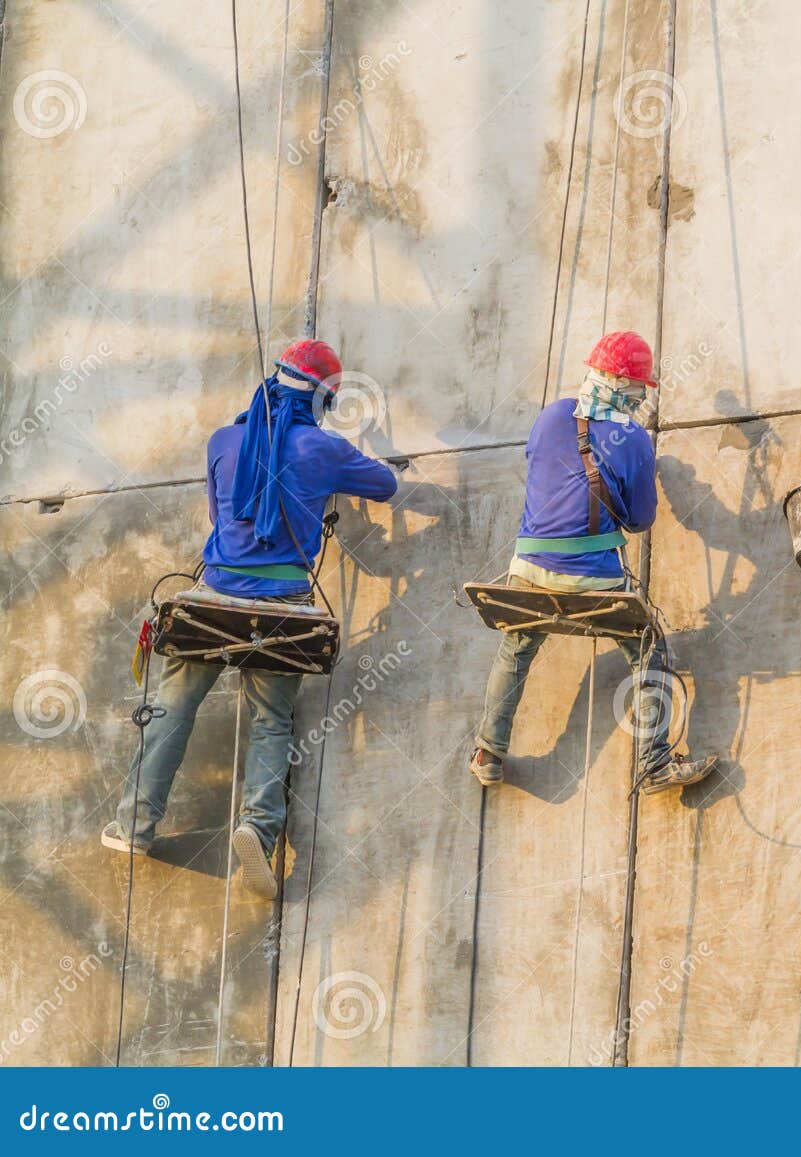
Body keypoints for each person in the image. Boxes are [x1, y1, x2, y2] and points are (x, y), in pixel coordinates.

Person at [102, 340, 398, 898]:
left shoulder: (224, 439)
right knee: (272, 721)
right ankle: (257, 834)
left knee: (172, 709)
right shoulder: (323, 447)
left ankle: (135, 826)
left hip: (216, 599)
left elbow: (220, 515)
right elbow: (386, 485)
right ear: (324, 398)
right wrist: (329, 470)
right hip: (282, 607)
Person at [468, 331, 717, 794]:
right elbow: (641, 520)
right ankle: (655, 762)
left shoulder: (550, 416)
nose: (640, 398)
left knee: (517, 647)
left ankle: (488, 751)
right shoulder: (634, 440)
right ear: (623, 384)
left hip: (527, 569)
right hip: (590, 580)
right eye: (638, 388)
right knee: (648, 647)